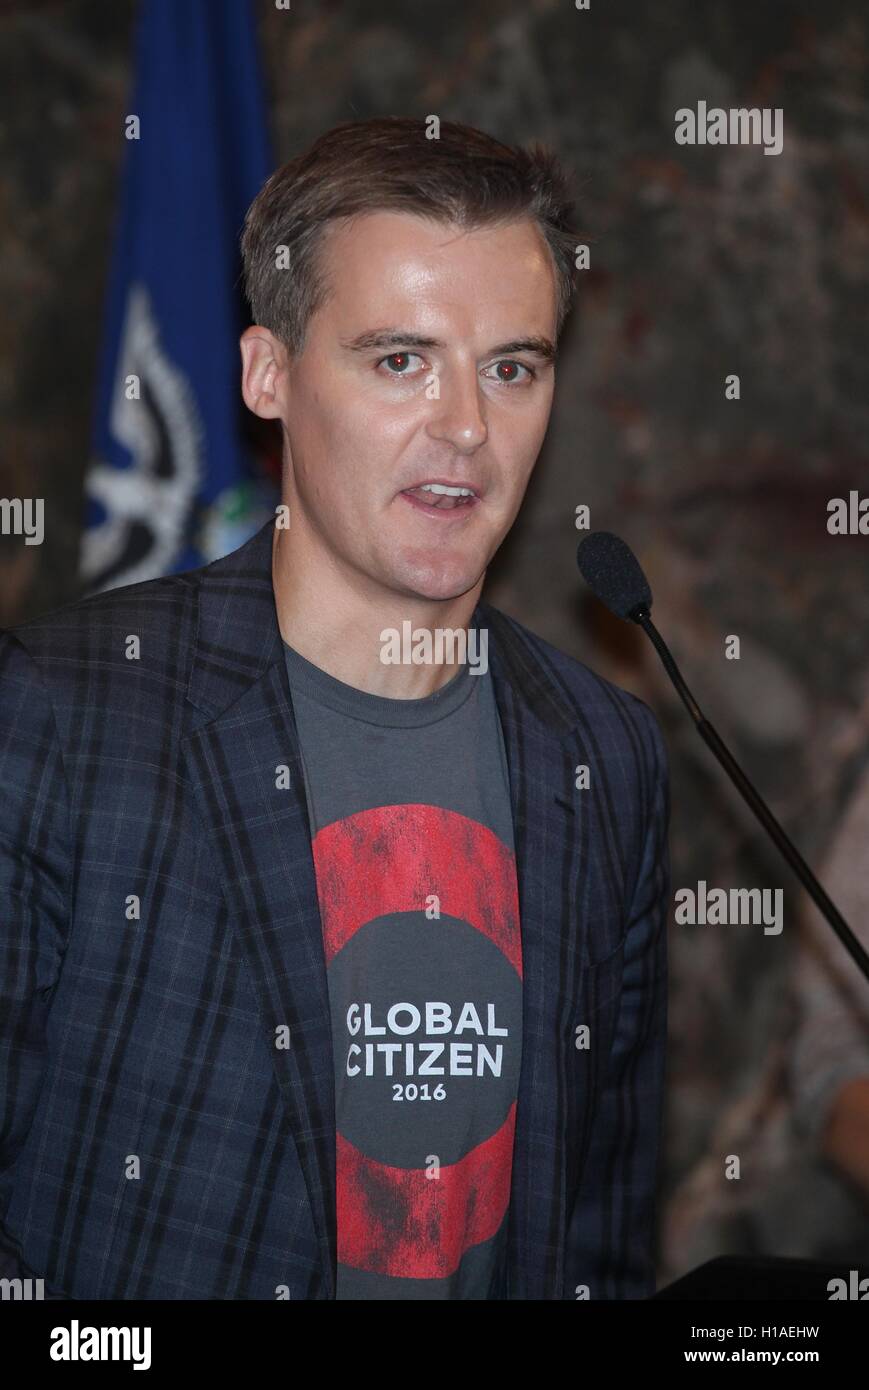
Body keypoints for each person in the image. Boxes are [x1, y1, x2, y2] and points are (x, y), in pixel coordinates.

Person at [0, 116, 670, 1300]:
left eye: (511, 366)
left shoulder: (602, 751)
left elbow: (596, 1233)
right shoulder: (62, 713)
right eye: (399, 358)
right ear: (267, 374)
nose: (466, 424)